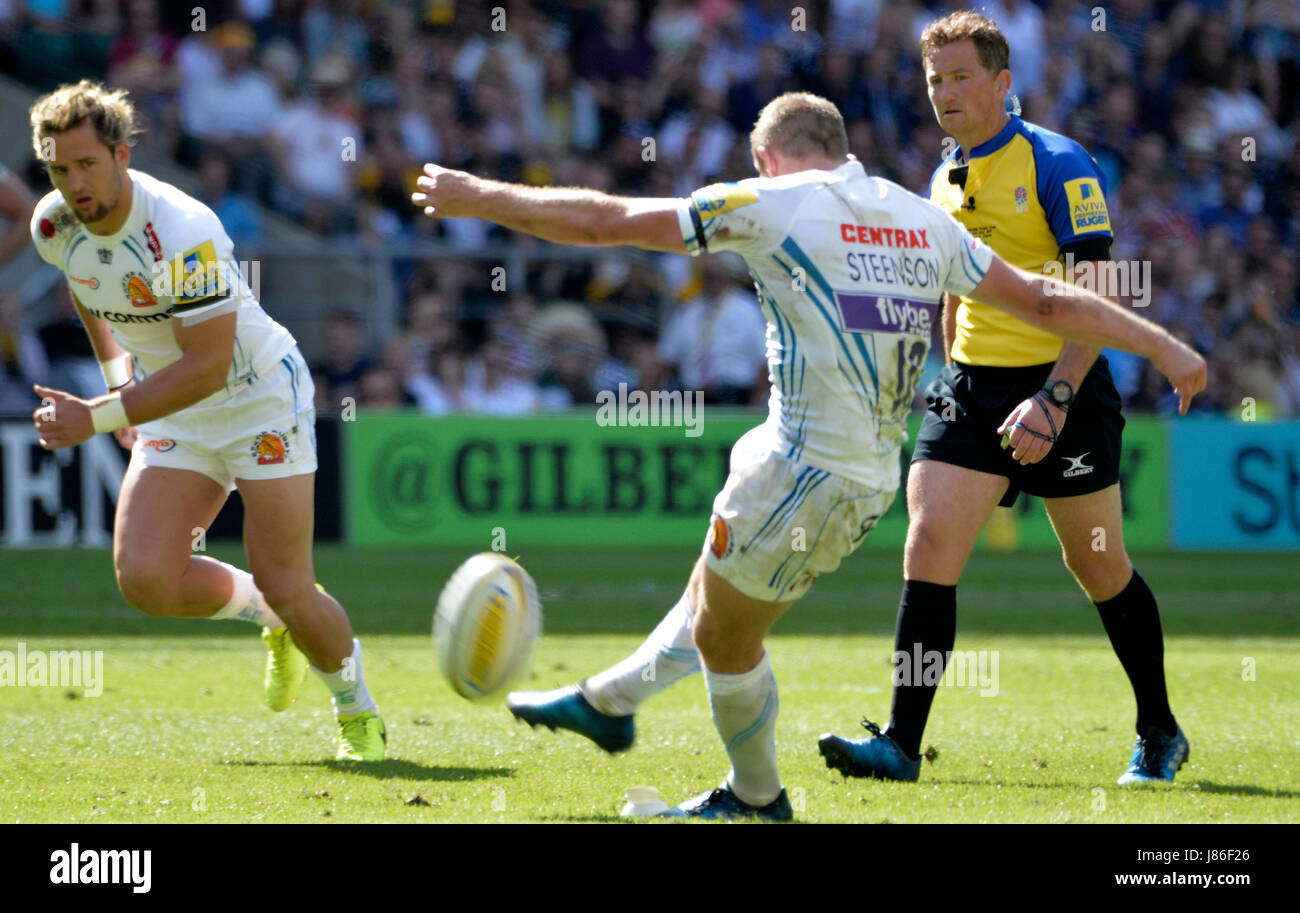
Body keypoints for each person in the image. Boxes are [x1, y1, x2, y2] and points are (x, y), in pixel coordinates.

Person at [412, 91, 1206, 820]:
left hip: (809, 476)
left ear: (767, 157)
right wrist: (1165, 347)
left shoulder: (771, 203)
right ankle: (610, 701)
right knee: (713, 585)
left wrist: (478, 197)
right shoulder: (918, 212)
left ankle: (753, 795)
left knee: (729, 636)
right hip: (849, 470)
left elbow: (603, 222)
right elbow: (1045, 299)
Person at [819, 11, 1191, 786]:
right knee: (927, 549)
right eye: (934, 81)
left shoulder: (1058, 162)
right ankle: (899, 743)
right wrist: (933, 373)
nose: (945, 93)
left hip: (1066, 385)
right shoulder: (941, 175)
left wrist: (1054, 397)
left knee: (1098, 566)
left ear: (1001, 82)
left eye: (960, 78)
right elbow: (953, 290)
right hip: (969, 387)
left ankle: (1159, 730)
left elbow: (1099, 297)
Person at [27, 80, 385, 761]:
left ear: (122, 154)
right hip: (173, 402)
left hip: (257, 400)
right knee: (146, 579)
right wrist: (118, 381)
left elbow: (208, 367)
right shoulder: (55, 225)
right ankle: (267, 615)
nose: (73, 182)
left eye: (86, 164)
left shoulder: (182, 232)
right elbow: (88, 286)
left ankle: (354, 705)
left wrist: (101, 417)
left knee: (291, 581)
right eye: (58, 168)